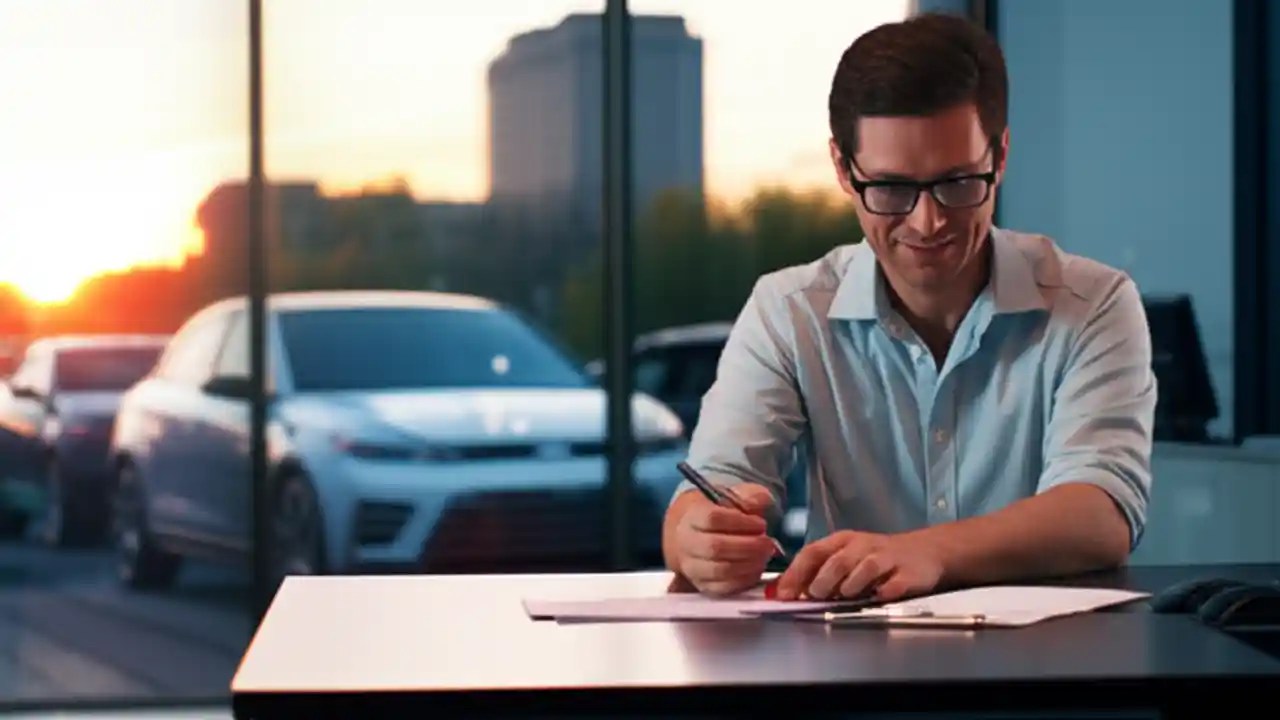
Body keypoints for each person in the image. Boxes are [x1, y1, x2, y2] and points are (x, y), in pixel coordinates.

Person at [661, 12, 1156, 602]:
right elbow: (711, 489)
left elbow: (1101, 513)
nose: (928, 222)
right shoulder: (788, 312)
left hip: (1043, 670)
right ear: (844, 170)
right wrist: (698, 538)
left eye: (956, 183)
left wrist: (927, 551)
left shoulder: (1094, 304)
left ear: (999, 156)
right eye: (892, 188)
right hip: (847, 668)